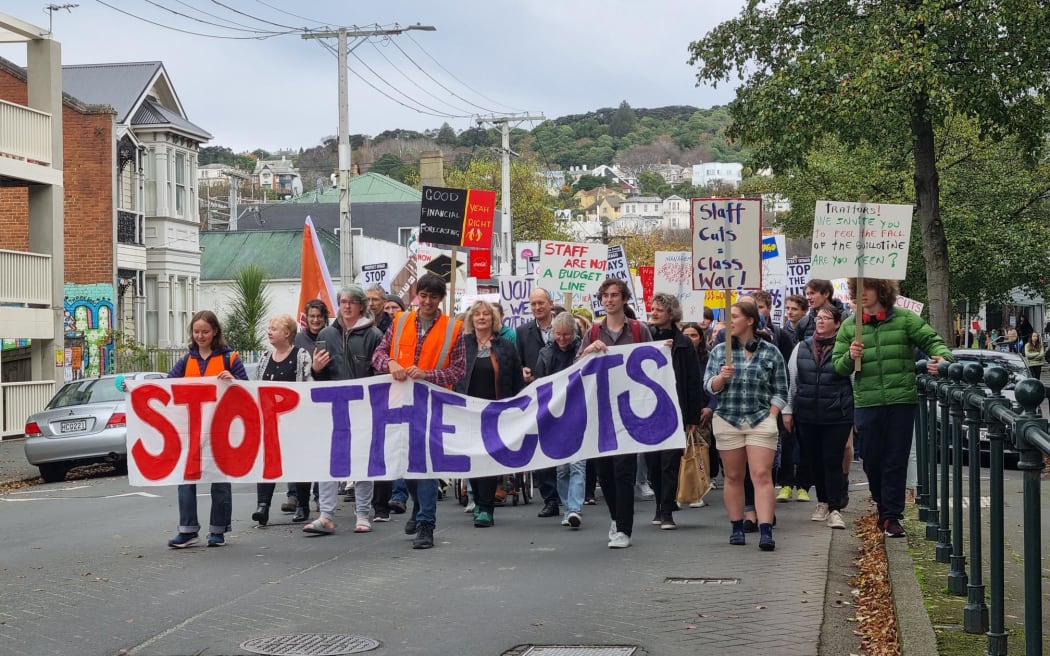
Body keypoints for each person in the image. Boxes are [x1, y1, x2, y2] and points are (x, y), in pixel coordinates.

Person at [832, 278, 952, 538]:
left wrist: (943, 359)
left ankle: (891, 517)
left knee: (896, 459)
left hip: (901, 401)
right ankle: (882, 501)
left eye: (868, 288)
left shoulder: (905, 319)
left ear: (882, 290)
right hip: (867, 402)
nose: (861, 294)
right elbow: (838, 368)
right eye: (857, 290)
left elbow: (933, 341)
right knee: (872, 460)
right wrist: (849, 357)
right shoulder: (851, 326)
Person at [372, 272, 466, 549]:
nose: (426, 301)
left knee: (425, 465)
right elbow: (378, 355)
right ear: (417, 295)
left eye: (433, 297)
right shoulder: (399, 322)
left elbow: (458, 370)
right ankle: (418, 508)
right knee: (407, 465)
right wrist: (390, 363)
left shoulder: (454, 329)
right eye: (423, 295)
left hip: (433, 405)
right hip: (400, 404)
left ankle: (427, 524)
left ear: (440, 299)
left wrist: (428, 374)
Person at [704, 301, 788, 551]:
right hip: (728, 419)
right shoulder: (719, 351)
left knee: (761, 475)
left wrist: (772, 416)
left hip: (760, 420)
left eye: (735, 317)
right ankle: (737, 526)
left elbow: (782, 389)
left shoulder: (771, 352)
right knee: (733, 476)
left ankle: (765, 530)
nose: (729, 321)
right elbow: (708, 385)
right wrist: (721, 378)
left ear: (750, 321)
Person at [576, 277, 653, 549]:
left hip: (629, 410)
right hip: (601, 409)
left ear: (624, 299)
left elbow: (652, 363)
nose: (609, 300)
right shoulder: (594, 332)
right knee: (604, 470)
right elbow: (577, 369)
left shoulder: (639, 329)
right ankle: (615, 517)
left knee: (624, 469)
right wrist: (588, 351)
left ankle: (624, 528)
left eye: (614, 295)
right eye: (605, 296)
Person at [166, 310, 248, 549]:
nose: (200, 336)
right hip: (192, 431)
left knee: (220, 480)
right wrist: (136, 390)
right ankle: (188, 530)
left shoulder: (230, 359)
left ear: (215, 332)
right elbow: (166, 386)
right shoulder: (186, 360)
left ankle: (218, 531)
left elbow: (249, 391)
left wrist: (233, 378)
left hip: (221, 430)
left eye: (205, 331)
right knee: (185, 478)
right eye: (196, 331)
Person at [309, 285, 384, 536]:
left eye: (352, 301)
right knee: (327, 459)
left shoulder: (373, 335)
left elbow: (378, 373)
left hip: (363, 408)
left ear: (361, 305)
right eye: (342, 301)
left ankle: (363, 514)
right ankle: (326, 514)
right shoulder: (327, 335)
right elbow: (319, 378)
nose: (347, 306)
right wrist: (316, 370)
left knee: (362, 461)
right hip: (333, 407)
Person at [454, 301, 525, 528]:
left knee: (489, 457)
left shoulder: (505, 346)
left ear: (493, 319)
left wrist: (515, 405)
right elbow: (454, 376)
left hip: (495, 410)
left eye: (486, 314)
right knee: (473, 457)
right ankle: (477, 501)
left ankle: (486, 508)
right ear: (471, 319)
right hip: (468, 411)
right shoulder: (462, 345)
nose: (482, 318)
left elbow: (515, 378)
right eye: (477, 314)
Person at [783, 305, 854, 530]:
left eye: (826, 318)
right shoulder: (801, 348)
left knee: (832, 460)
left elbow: (853, 382)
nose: (820, 321)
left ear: (837, 323)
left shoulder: (845, 350)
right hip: (806, 414)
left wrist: (856, 414)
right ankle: (822, 502)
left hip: (837, 414)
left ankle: (835, 508)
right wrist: (788, 410)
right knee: (814, 461)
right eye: (818, 317)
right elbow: (793, 381)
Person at [251, 314, 316, 526]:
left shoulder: (301, 356)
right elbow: (256, 387)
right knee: (268, 462)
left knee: (299, 462)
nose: (269, 331)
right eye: (269, 328)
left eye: (274, 328)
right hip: (271, 423)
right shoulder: (264, 358)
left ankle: (302, 504)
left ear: (287, 333)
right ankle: (263, 505)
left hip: (295, 421)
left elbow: (307, 384)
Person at [646, 293, 703, 530]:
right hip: (648, 411)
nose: (654, 312)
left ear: (671, 313)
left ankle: (667, 509)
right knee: (652, 463)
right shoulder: (644, 337)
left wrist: (692, 416)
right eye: (653, 308)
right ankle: (660, 503)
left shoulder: (683, 343)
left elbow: (692, 380)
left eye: (660, 309)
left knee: (669, 462)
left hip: (674, 410)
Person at [533, 311, 586, 528]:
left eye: (566, 334)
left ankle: (574, 509)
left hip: (579, 414)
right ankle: (567, 507)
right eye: (558, 334)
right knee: (562, 468)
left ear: (574, 333)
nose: (562, 339)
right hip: (556, 417)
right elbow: (539, 386)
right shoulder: (545, 355)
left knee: (578, 465)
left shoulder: (583, 351)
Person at [278, 298, 329, 516]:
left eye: (319, 316)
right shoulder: (297, 340)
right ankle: (296, 497)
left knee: (320, 452)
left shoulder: (331, 337)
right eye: (312, 316)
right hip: (299, 406)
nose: (315, 320)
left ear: (325, 318)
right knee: (297, 453)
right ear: (306, 319)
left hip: (324, 403)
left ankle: (319, 495)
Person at [516, 287, 562, 520]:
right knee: (542, 448)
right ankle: (550, 498)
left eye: (541, 303)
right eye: (533, 304)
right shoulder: (522, 332)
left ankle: (570, 495)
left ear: (550, 304)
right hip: (537, 396)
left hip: (564, 395)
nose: (537, 307)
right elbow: (518, 361)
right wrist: (522, 371)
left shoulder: (564, 325)